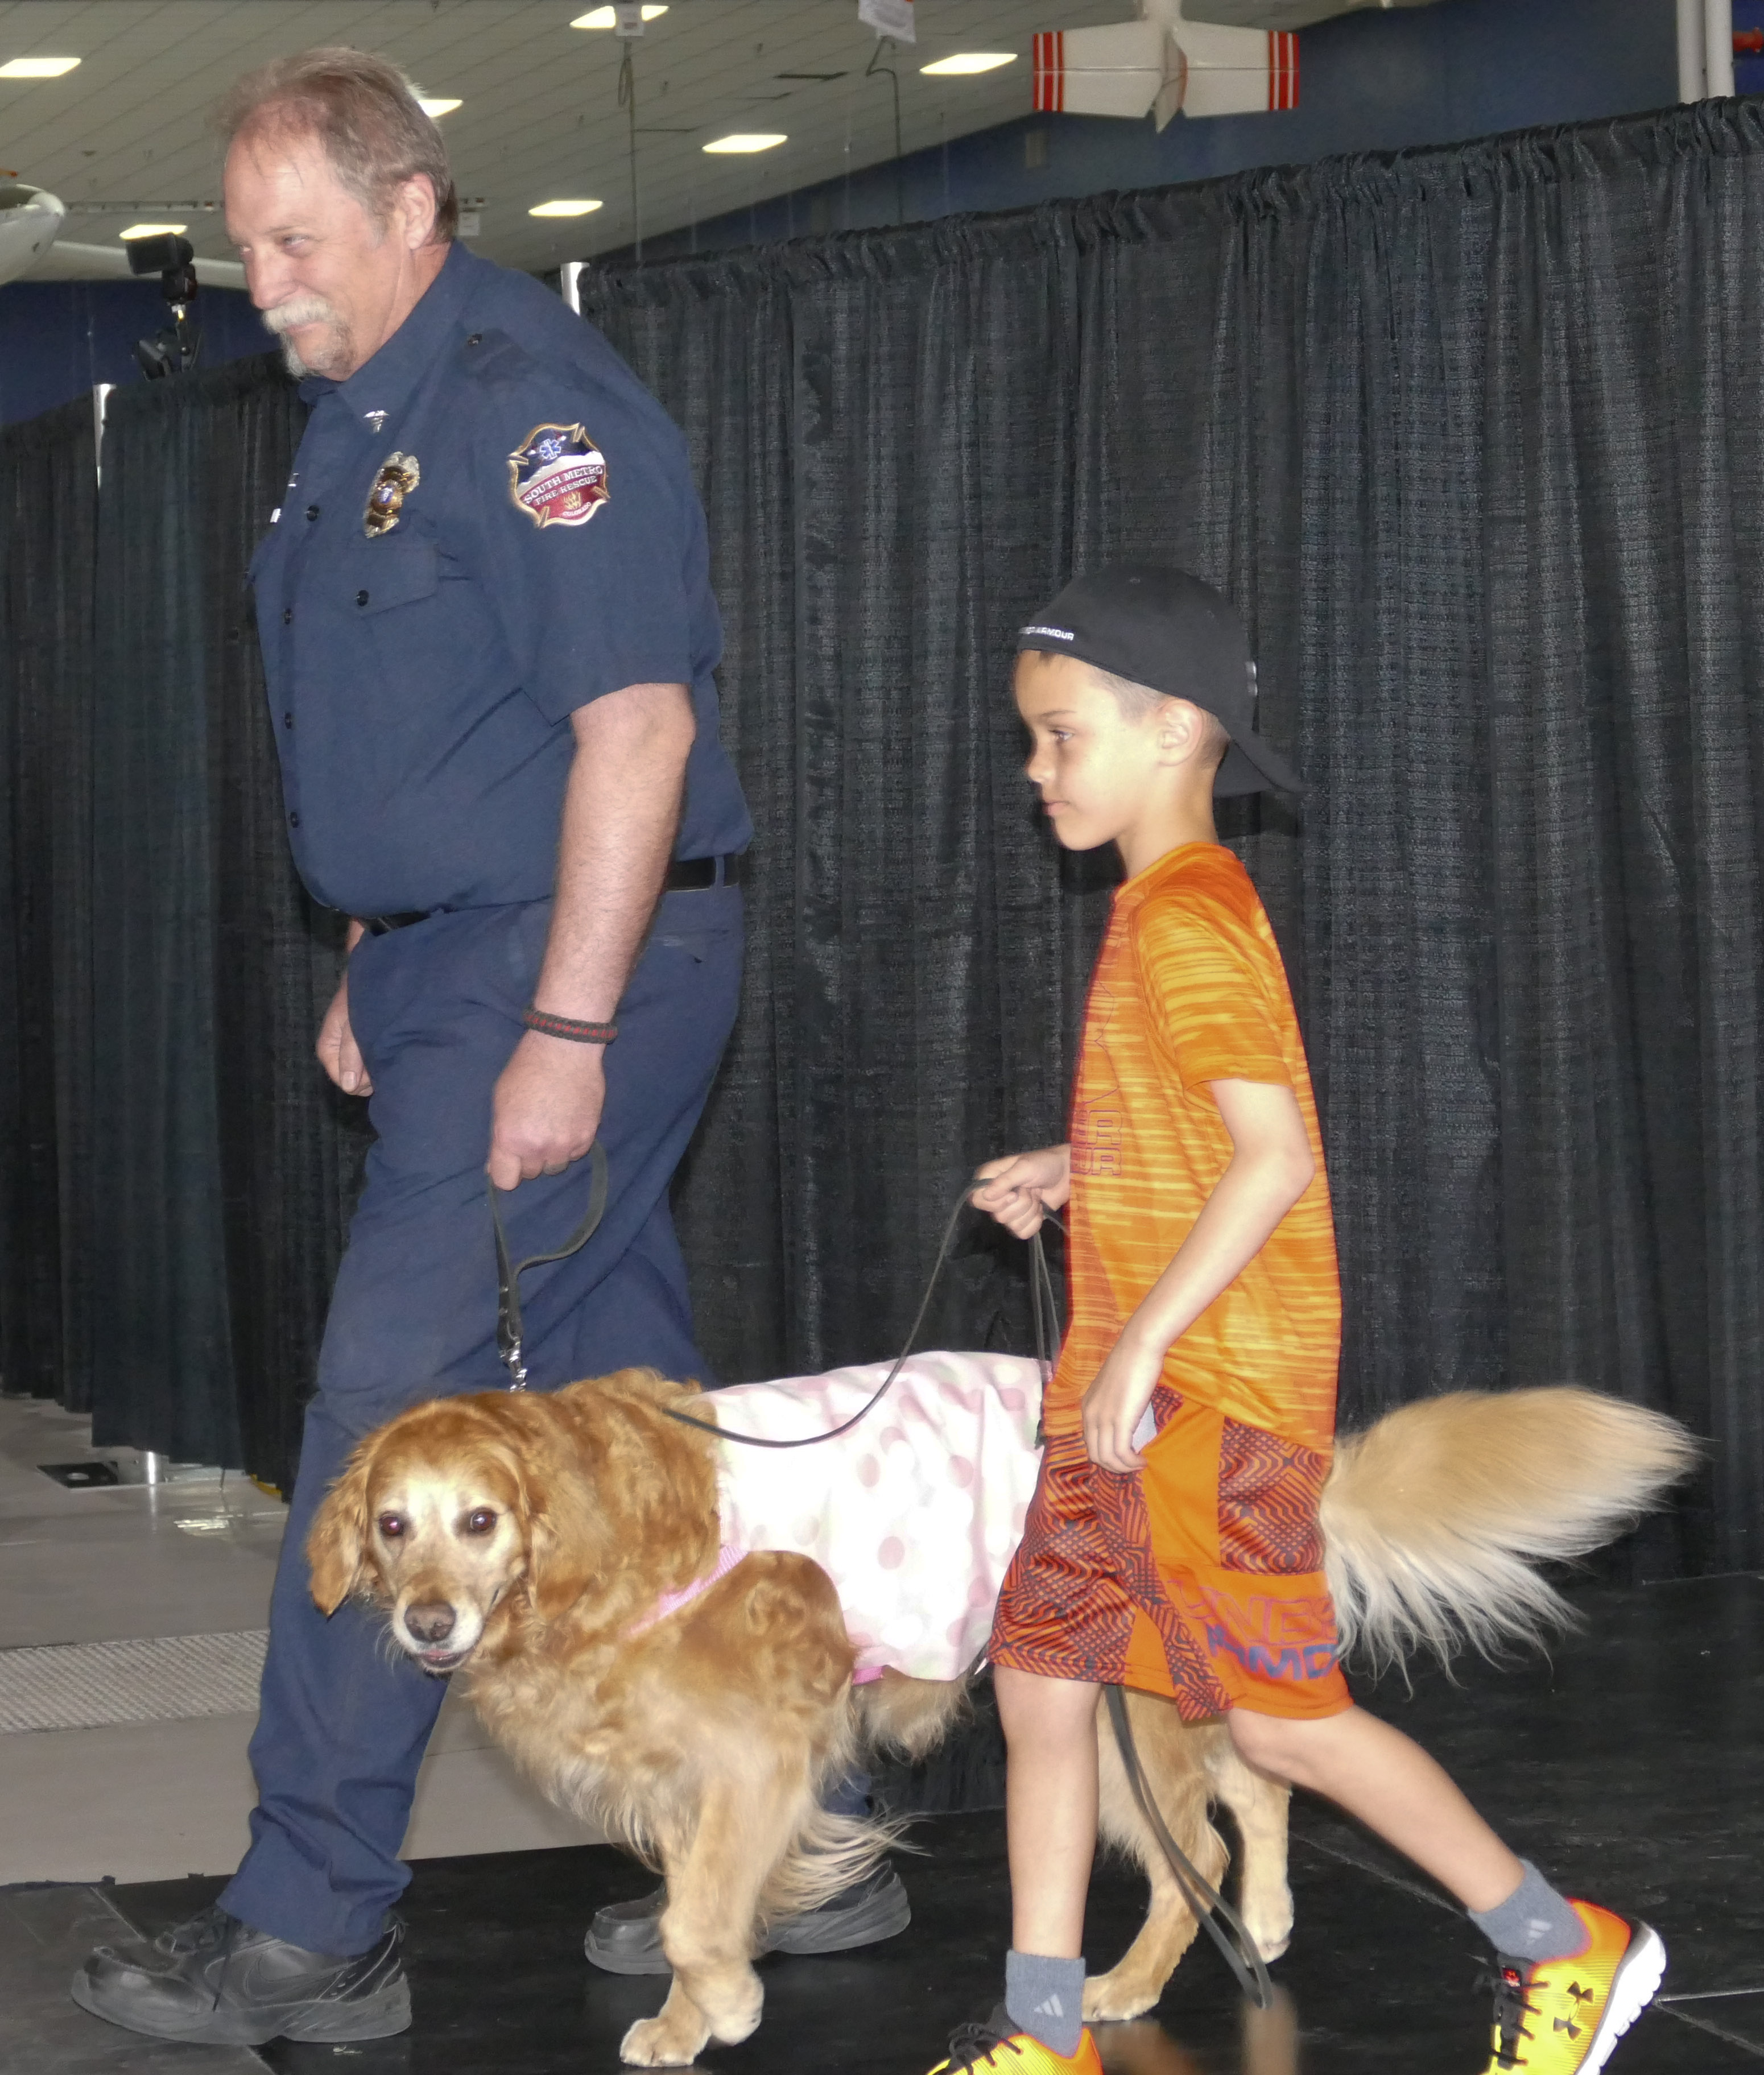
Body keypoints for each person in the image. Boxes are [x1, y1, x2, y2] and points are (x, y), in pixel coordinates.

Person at [72, 48, 899, 2051]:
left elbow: (637, 732)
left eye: (298, 240)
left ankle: (315, 1928)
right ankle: (810, 1832)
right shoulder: (363, 413)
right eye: (253, 241)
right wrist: (380, 942)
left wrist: (563, 1028)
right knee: (651, 1415)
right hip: (467, 958)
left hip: (574, 963)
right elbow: (418, 737)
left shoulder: (537, 409)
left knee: (390, 1423)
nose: (263, 280)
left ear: (413, 206)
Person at [930, 567, 1664, 2075]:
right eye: (1034, 738)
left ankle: (1563, 1941)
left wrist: (1139, 1343)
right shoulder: (1157, 914)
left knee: (1280, 1728)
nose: (1036, 768)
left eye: (1061, 736)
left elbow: (1275, 1161)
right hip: (1121, 1408)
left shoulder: (1191, 917)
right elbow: (1206, 1133)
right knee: (1044, 1682)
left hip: (1203, 1405)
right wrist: (1085, 1171)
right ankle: (1045, 2027)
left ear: (1177, 731)